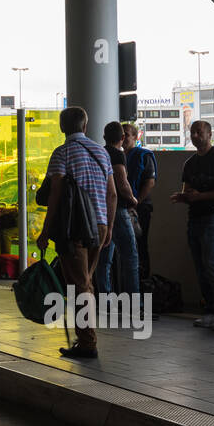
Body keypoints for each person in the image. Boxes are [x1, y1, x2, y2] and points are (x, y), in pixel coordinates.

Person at [36, 106, 115, 360]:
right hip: (100, 224)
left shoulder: (62, 153)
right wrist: (109, 227)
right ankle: (85, 339)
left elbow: (55, 194)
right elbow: (112, 194)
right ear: (85, 126)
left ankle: (88, 343)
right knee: (86, 283)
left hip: (75, 227)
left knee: (80, 285)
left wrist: (45, 231)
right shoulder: (102, 152)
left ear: (62, 127)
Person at [171, 120, 214, 331]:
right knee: (201, 266)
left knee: (210, 263)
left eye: (199, 132)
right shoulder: (189, 164)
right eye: (192, 132)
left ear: (209, 134)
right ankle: (210, 311)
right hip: (195, 217)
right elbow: (189, 191)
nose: (195, 135)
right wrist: (184, 197)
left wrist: (201, 197)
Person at [95, 122, 140, 299]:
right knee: (130, 257)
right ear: (122, 138)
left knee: (104, 259)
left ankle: (105, 300)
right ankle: (135, 303)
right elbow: (121, 184)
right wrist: (133, 199)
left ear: (104, 137)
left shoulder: (99, 153)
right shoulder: (117, 155)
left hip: (100, 210)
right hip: (118, 211)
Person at [123, 124, 157, 280]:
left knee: (140, 245)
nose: (124, 138)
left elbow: (150, 182)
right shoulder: (119, 157)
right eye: (121, 134)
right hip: (123, 208)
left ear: (136, 137)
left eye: (127, 134)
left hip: (140, 208)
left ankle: (143, 283)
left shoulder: (144, 155)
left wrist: (136, 202)